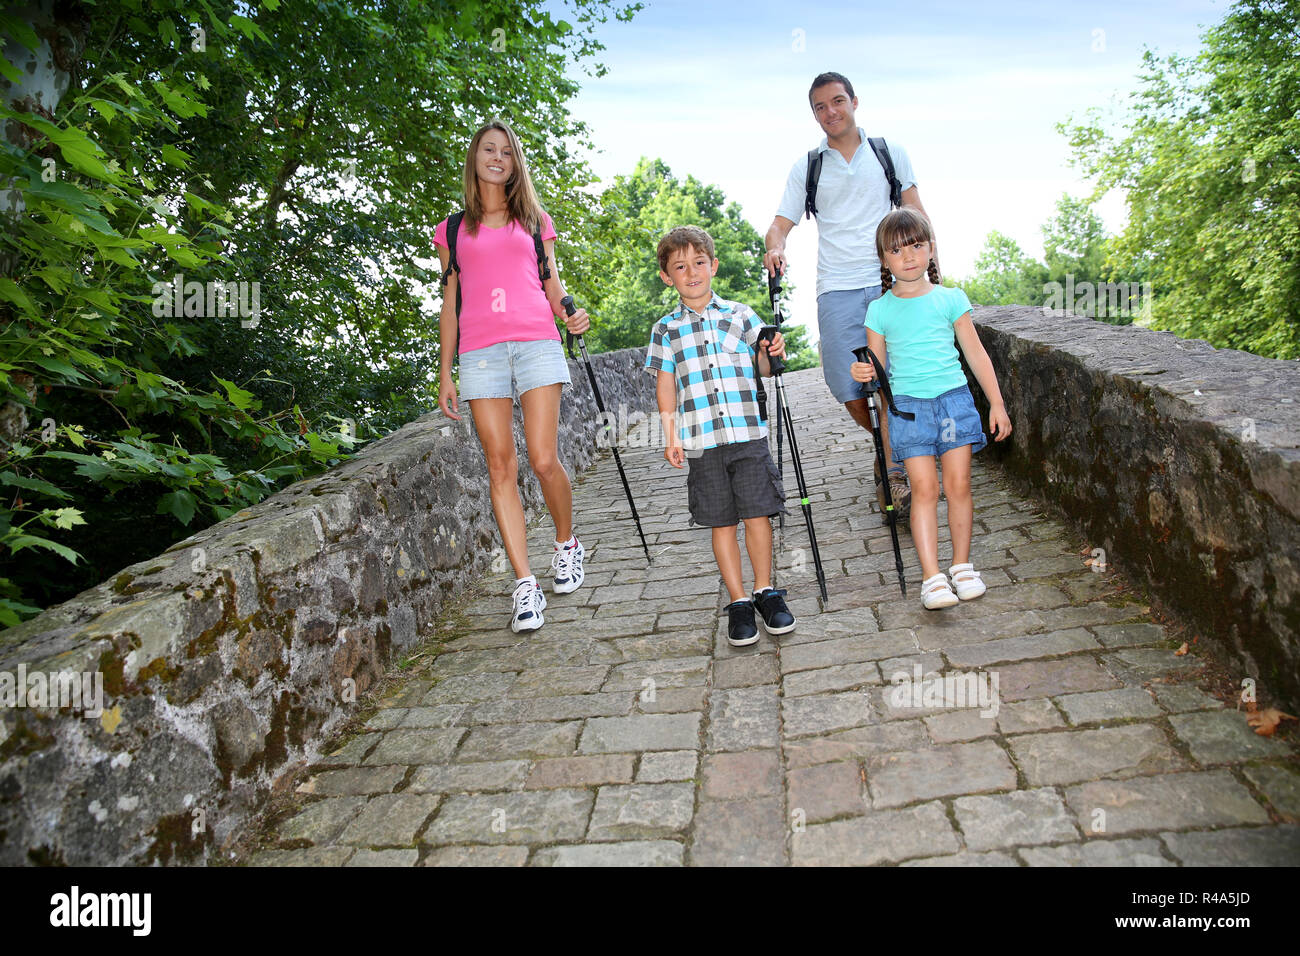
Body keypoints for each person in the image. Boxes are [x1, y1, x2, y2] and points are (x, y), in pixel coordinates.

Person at [435, 119, 591, 633]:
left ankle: (567, 544)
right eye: (488, 149)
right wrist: (445, 371)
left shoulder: (533, 219)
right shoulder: (453, 230)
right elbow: (450, 303)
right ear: (475, 158)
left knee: (544, 458)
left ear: (514, 162)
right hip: (480, 353)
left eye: (505, 151)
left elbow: (551, 280)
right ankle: (525, 585)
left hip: (536, 342)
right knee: (500, 466)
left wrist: (569, 312)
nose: (496, 157)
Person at [764, 71, 937, 523]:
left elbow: (916, 213)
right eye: (820, 107)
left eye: (837, 101)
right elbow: (780, 223)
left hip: (889, 278)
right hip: (835, 286)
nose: (830, 112)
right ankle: (893, 449)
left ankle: (894, 472)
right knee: (848, 386)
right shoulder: (808, 165)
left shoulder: (887, 152)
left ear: (855, 102)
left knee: (892, 380)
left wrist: (934, 271)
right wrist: (775, 247)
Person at [850, 208, 1012, 609]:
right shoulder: (879, 309)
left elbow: (975, 354)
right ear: (884, 260)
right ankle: (932, 577)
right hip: (907, 409)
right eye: (898, 250)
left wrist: (997, 403)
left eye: (917, 246)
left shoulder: (950, 299)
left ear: (931, 249)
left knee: (958, 487)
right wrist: (864, 370)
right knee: (925, 490)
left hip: (954, 402)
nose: (909, 256)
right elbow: (878, 366)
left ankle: (961, 566)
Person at [646, 226, 797, 647]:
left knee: (757, 514)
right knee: (722, 522)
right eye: (680, 266)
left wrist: (772, 352)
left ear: (713, 265)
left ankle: (766, 590)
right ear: (666, 276)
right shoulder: (665, 330)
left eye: (698, 262)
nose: (691, 272)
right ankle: (738, 600)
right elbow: (665, 385)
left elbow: (763, 370)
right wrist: (670, 435)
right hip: (701, 441)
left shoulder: (742, 315)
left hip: (747, 433)